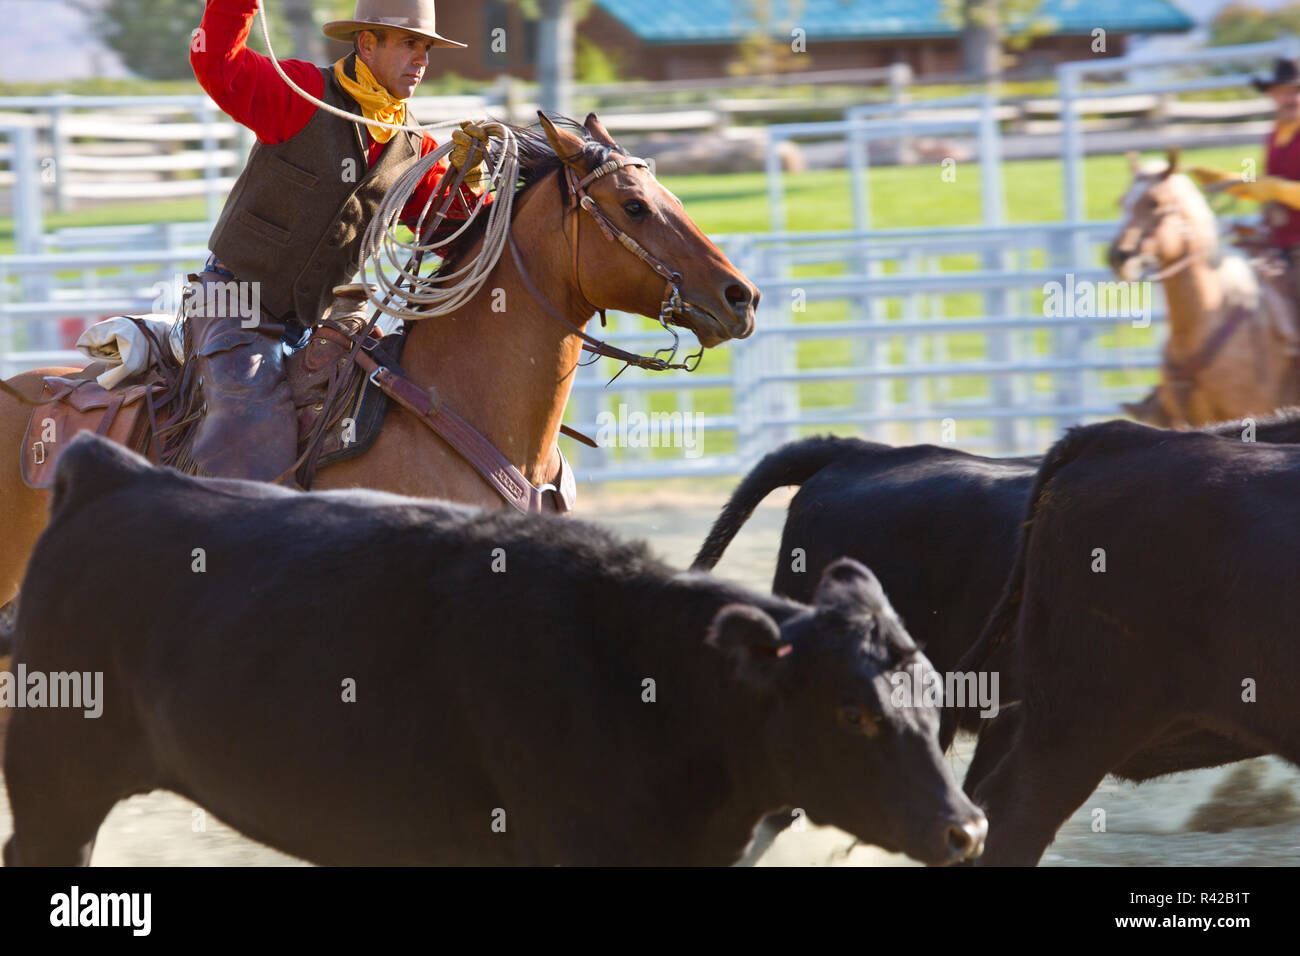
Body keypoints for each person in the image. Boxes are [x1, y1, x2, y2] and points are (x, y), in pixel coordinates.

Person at [187, 0, 490, 480]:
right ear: (367, 43)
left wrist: (467, 183)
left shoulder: (414, 148)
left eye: (427, 47)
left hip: (324, 322)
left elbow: (454, 232)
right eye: (411, 43)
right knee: (252, 438)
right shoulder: (301, 92)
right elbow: (217, 64)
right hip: (233, 302)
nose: (423, 60)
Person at [1190, 57, 1300, 301]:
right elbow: (1260, 183)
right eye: (1283, 92)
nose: (1290, 98)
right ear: (1272, 95)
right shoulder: (1274, 136)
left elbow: (1271, 187)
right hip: (1277, 239)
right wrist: (1227, 182)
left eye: (1296, 92)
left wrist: (1273, 189)